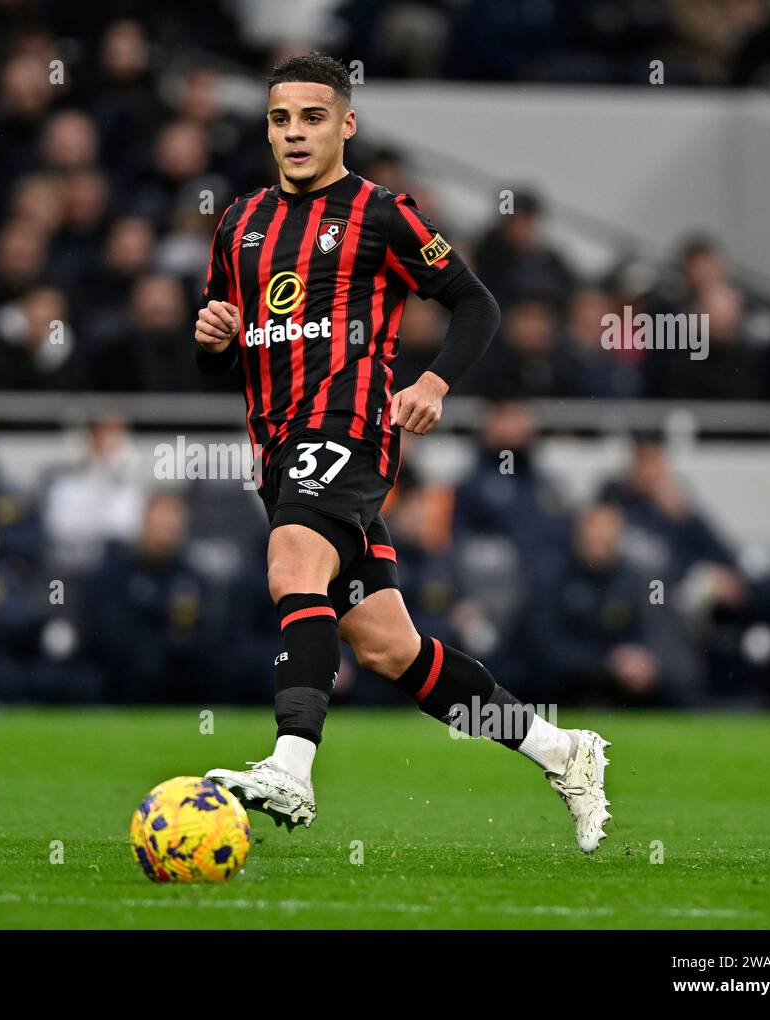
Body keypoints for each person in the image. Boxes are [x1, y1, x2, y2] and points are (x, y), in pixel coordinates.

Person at [193, 52, 611, 852]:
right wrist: (211, 338)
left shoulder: (380, 214)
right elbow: (224, 350)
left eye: (312, 117)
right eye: (281, 118)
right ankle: (563, 750)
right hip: (278, 448)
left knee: (291, 569)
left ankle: (291, 764)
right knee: (391, 648)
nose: (295, 133)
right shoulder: (239, 223)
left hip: (350, 428)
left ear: (345, 124)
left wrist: (436, 383)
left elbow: (475, 305)